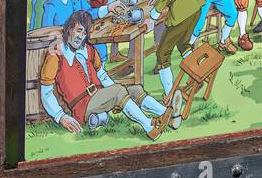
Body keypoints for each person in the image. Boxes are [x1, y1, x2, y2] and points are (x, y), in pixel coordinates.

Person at [39, 10, 180, 139]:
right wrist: (60, 116)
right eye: (78, 31)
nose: (81, 37)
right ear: (69, 30)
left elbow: (102, 75)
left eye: (84, 33)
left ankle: (167, 113)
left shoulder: (88, 50)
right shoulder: (56, 55)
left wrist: (118, 94)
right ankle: (149, 126)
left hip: (99, 95)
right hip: (82, 105)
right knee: (118, 91)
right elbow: (46, 92)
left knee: (134, 89)